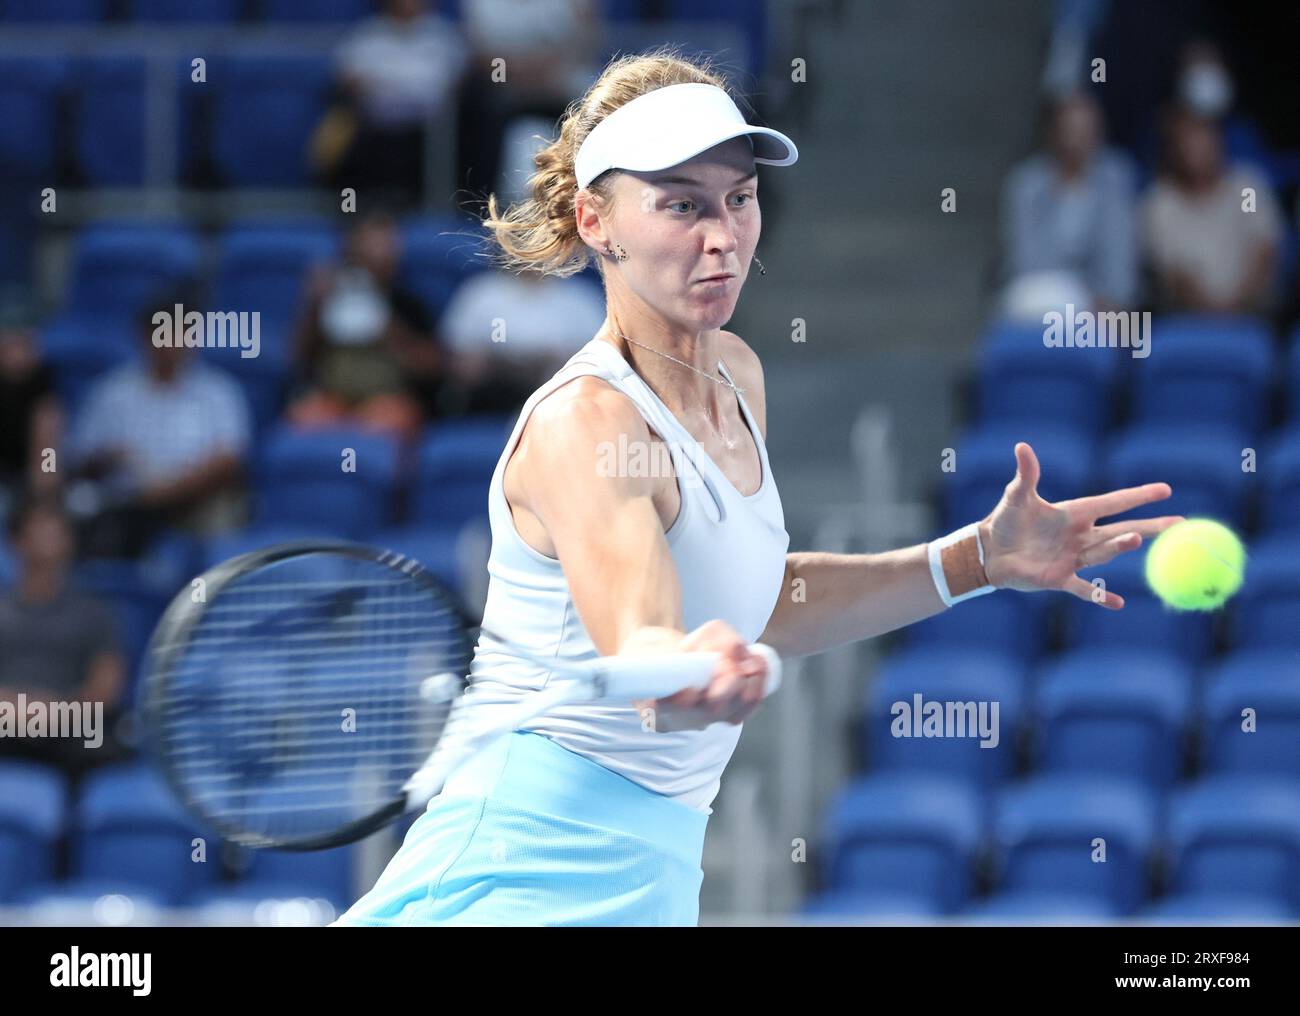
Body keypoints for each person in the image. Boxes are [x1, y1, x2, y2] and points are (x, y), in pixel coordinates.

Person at [333, 47, 1184, 928]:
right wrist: (677, 662)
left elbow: (764, 598)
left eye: (739, 197)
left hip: (650, 877)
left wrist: (975, 558)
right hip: (514, 876)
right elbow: (641, 630)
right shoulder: (586, 424)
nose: (723, 235)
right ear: (595, 221)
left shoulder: (737, 374)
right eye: (681, 205)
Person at [70, 293, 253, 558]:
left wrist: (169, 492)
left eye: (179, 334)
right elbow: (81, 459)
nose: (170, 345)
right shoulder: (112, 391)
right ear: (144, 336)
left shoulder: (219, 392)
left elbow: (230, 460)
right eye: (162, 334)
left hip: (196, 504)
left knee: (223, 519)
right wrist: (112, 458)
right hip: (125, 505)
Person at [0, 493, 130, 780]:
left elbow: (106, 688)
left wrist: (55, 714)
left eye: (58, 529)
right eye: (41, 526)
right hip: (5, 724)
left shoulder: (94, 613)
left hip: (70, 728)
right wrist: (18, 711)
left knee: (103, 743)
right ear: (16, 540)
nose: (51, 536)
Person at [288, 212, 446, 437]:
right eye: (369, 245)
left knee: (390, 422)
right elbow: (296, 357)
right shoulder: (329, 296)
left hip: (385, 400)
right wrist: (315, 305)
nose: (378, 254)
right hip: (333, 399)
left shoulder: (407, 302)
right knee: (302, 420)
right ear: (352, 248)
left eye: (385, 246)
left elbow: (435, 367)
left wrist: (391, 333)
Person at [999, 90, 1138, 320]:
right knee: (1037, 300)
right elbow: (1026, 259)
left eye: (1086, 130)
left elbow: (1120, 255)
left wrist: (1107, 298)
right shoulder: (1027, 185)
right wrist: (1076, 293)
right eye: (1070, 130)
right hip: (1044, 293)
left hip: (1102, 300)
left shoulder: (1115, 179)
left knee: (1114, 316)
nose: (1078, 139)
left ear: (1098, 134)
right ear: (1053, 133)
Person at [1140, 103, 1283, 316]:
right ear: (1173, 149)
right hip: (1186, 315)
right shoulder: (1160, 203)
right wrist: (1211, 310)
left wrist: (1239, 302)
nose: (1195, 148)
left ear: (1218, 141)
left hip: (1252, 311)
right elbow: (1173, 274)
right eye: (1186, 141)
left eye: (1202, 138)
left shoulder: (1246, 190)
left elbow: (1262, 249)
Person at [438, 266, 606, 415]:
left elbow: (599, 364)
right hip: (491, 399)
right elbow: (458, 361)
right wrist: (505, 364)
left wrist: (549, 365)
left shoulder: (581, 298)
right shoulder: (480, 293)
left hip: (561, 401)